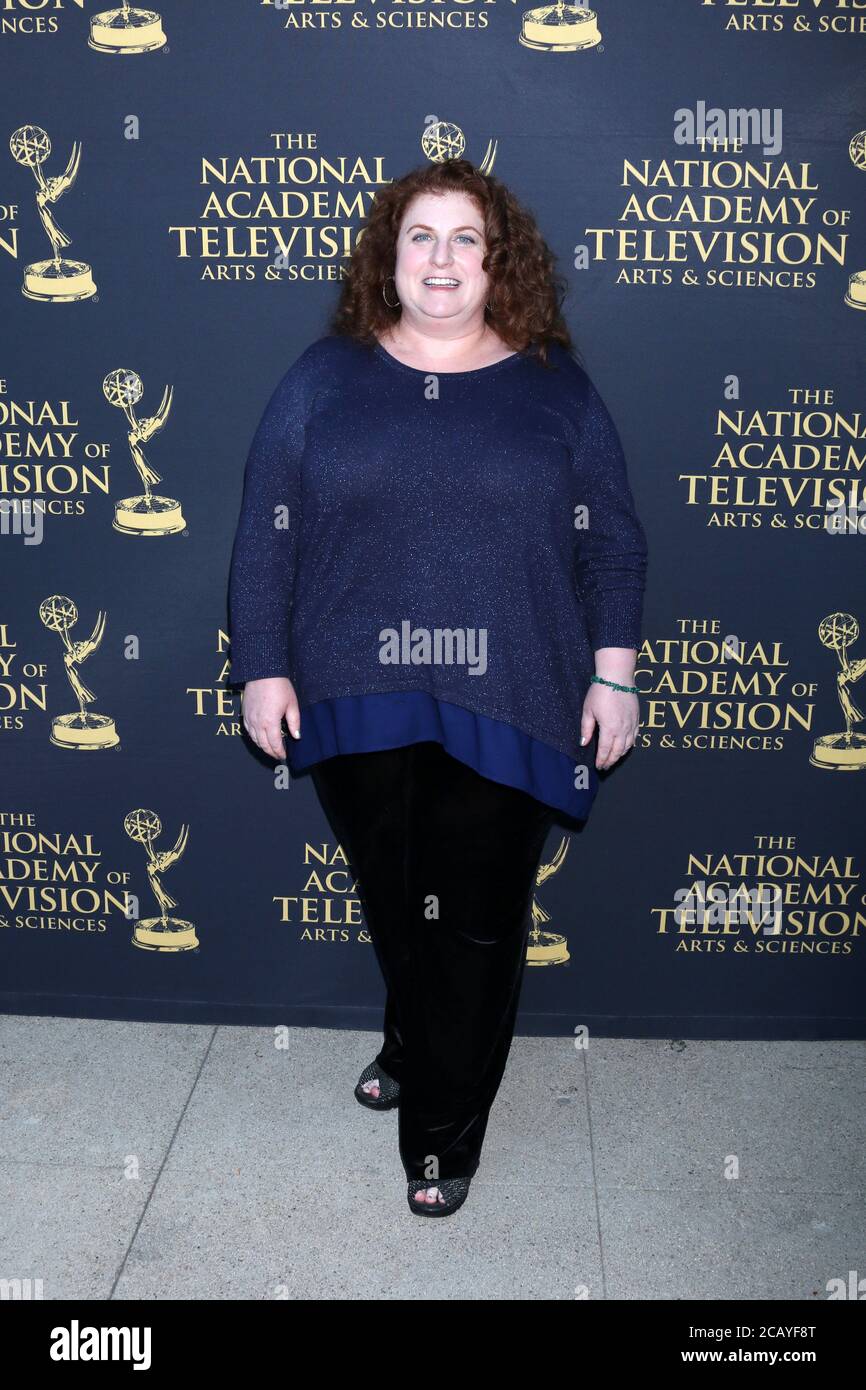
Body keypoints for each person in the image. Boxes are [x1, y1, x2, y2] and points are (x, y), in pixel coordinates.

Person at [227, 158, 649, 1218]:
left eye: (467, 237)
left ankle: (440, 1135)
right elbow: (264, 532)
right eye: (421, 235)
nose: (443, 259)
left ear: (498, 260)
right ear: (388, 256)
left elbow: (613, 542)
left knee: (471, 922)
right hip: (354, 688)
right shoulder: (322, 379)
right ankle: (415, 1045)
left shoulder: (555, 385)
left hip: (508, 692)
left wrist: (614, 674)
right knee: (396, 899)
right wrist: (263, 666)